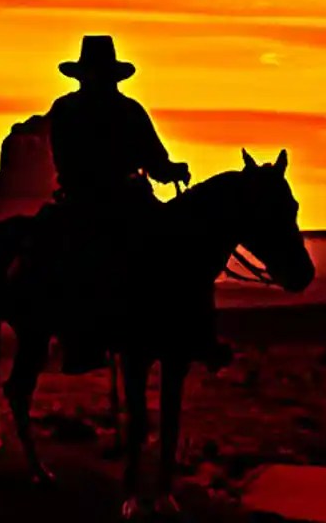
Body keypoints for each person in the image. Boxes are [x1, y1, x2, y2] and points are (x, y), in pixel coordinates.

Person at [44, 34, 229, 372]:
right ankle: (83, 339)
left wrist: (171, 170)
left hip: (119, 197)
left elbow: (155, 159)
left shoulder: (102, 109)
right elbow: (67, 157)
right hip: (93, 199)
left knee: (183, 251)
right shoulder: (89, 110)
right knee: (77, 259)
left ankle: (196, 335)